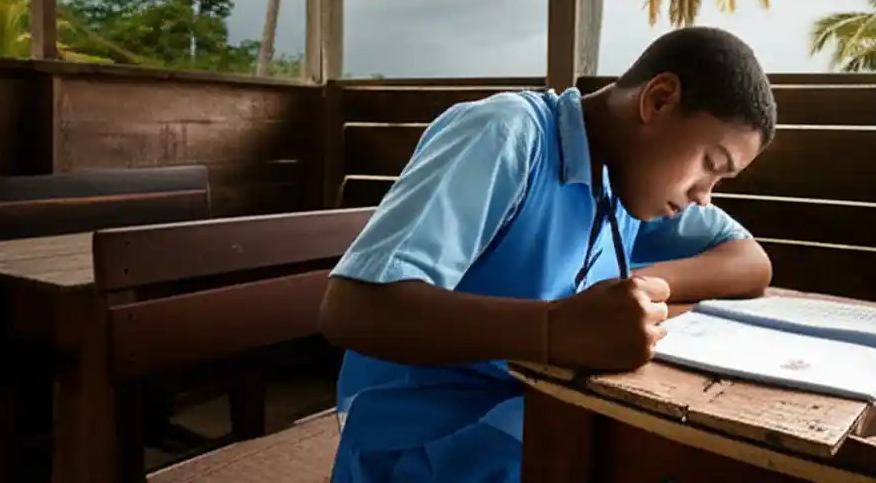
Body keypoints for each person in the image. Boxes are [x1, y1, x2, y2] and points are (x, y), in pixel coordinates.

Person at [319, 26, 778, 482]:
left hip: (526, 425)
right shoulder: (508, 134)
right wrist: (555, 327)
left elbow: (751, 263)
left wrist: (638, 290)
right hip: (417, 450)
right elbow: (352, 307)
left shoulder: (627, 181)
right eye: (710, 164)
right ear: (658, 101)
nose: (705, 196)